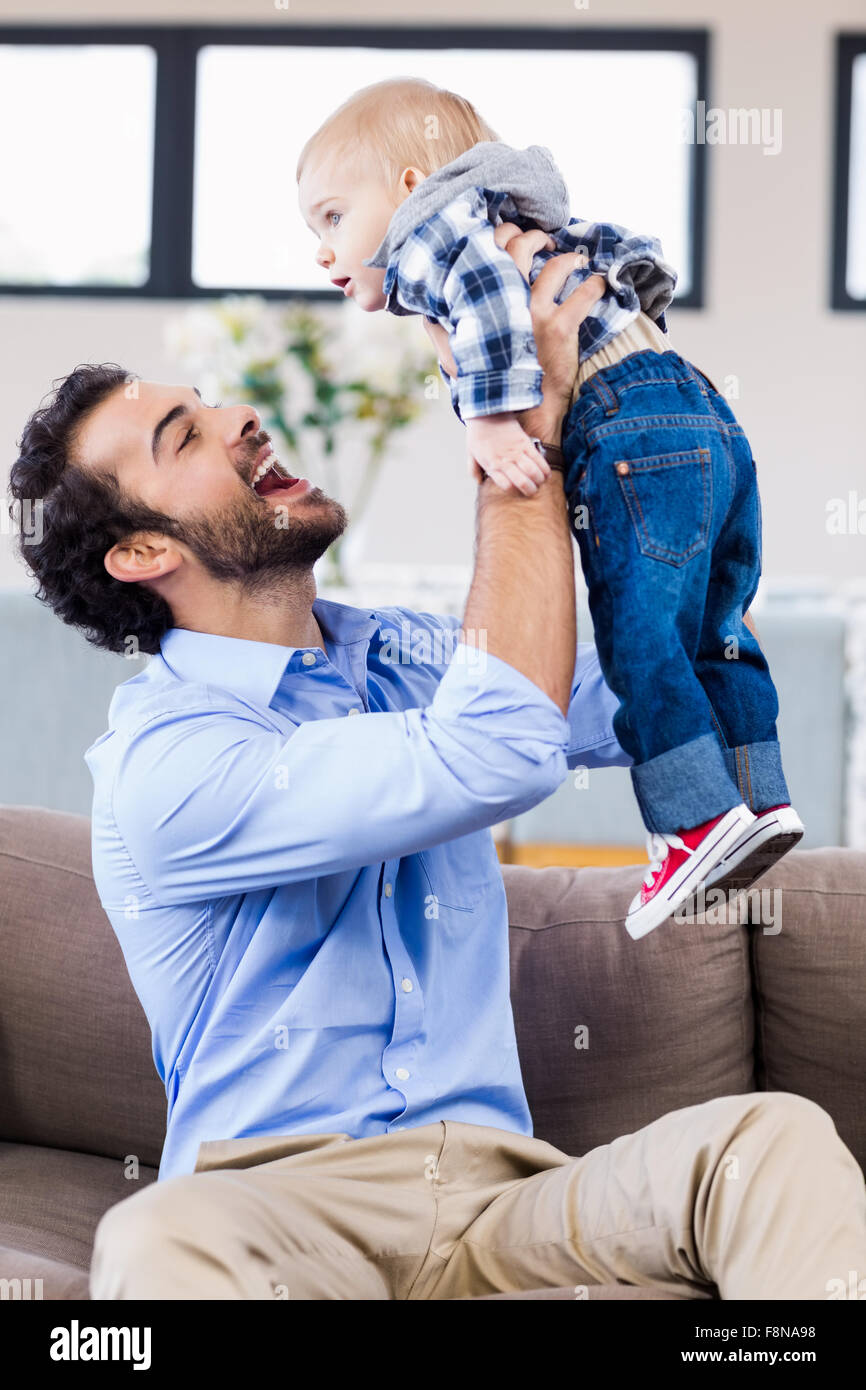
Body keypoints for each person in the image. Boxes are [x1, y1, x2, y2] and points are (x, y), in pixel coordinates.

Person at [8, 232, 862, 1302]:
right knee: (157, 1240)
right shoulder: (164, 761)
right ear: (143, 554)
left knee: (767, 1143)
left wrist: (629, 422)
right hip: (273, 1206)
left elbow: (642, 695)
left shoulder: (405, 654)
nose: (237, 418)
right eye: (185, 436)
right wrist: (512, 422)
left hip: (502, 1200)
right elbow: (491, 747)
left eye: (211, 403)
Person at [296, 76, 804, 939]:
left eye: (334, 218)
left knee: (639, 632)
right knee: (715, 627)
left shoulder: (433, 236)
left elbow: (494, 312)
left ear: (413, 186)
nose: (322, 251)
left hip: (624, 425)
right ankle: (758, 798)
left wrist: (492, 422)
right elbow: (624, 256)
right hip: (700, 412)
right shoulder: (518, 216)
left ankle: (692, 826)